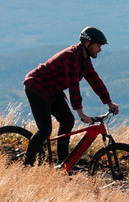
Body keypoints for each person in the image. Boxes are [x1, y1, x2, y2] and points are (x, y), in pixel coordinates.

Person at [23, 27, 117, 166]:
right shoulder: (71, 57)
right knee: (45, 130)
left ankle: (64, 163)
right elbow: (73, 86)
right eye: (98, 45)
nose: (100, 50)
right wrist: (81, 113)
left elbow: (95, 81)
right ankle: (26, 165)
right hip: (37, 88)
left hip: (53, 90)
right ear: (87, 43)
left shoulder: (84, 59)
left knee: (67, 120)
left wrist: (109, 103)